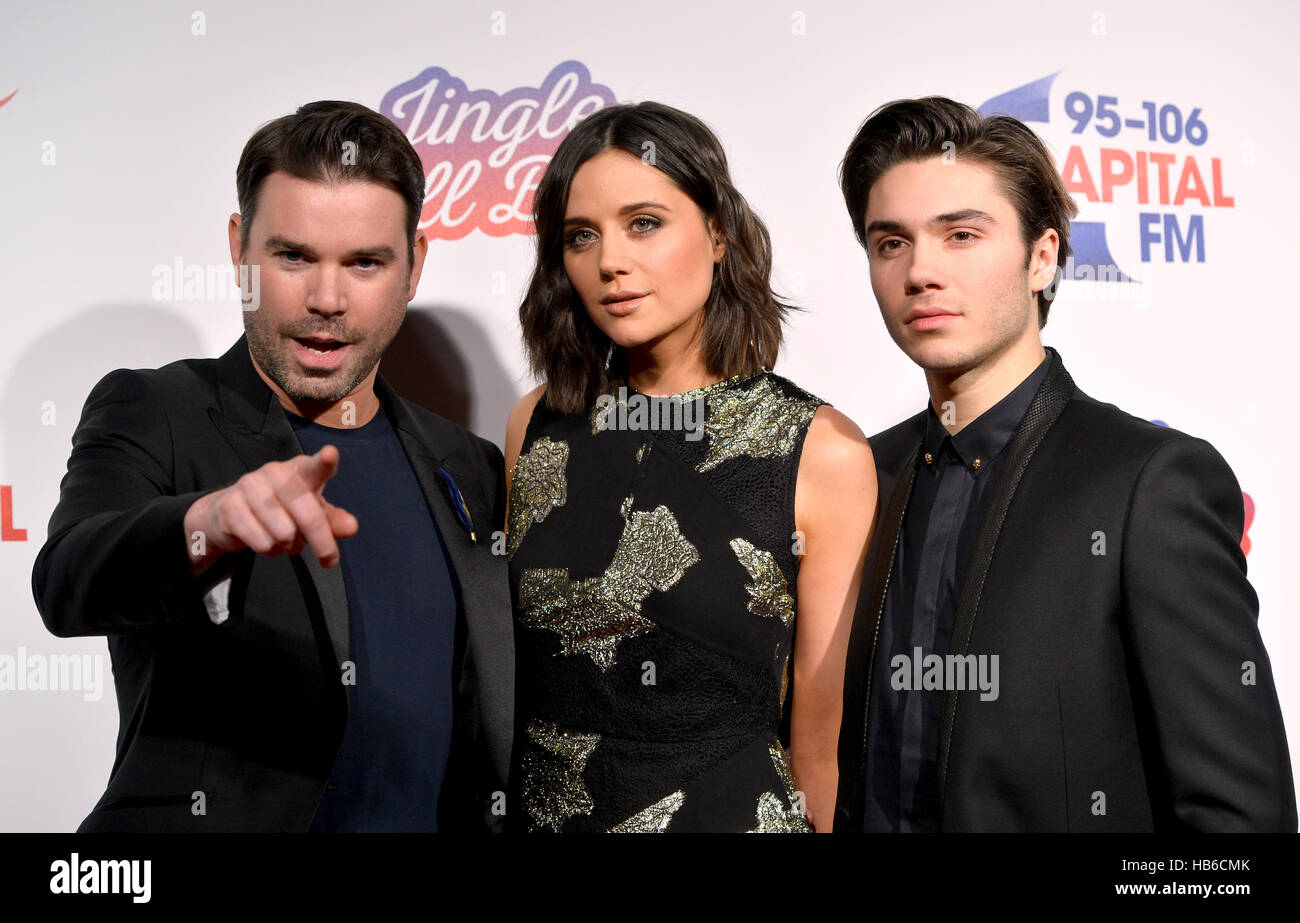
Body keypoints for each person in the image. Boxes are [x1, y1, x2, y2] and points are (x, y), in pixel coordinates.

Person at [31, 100, 513, 832]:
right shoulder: (158, 409)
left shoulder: (468, 464)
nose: (326, 299)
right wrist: (206, 522)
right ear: (239, 248)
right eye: (293, 256)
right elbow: (69, 580)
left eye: (365, 262)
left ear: (414, 267)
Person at [833, 96, 1296, 832]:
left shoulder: (1148, 483)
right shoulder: (855, 477)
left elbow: (1240, 825)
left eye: (960, 235)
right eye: (891, 243)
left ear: (1041, 256)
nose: (921, 270)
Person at [504, 101, 876, 833]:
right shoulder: (535, 424)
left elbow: (820, 747)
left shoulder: (821, 450)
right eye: (582, 236)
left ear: (717, 233)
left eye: (644, 222)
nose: (611, 260)